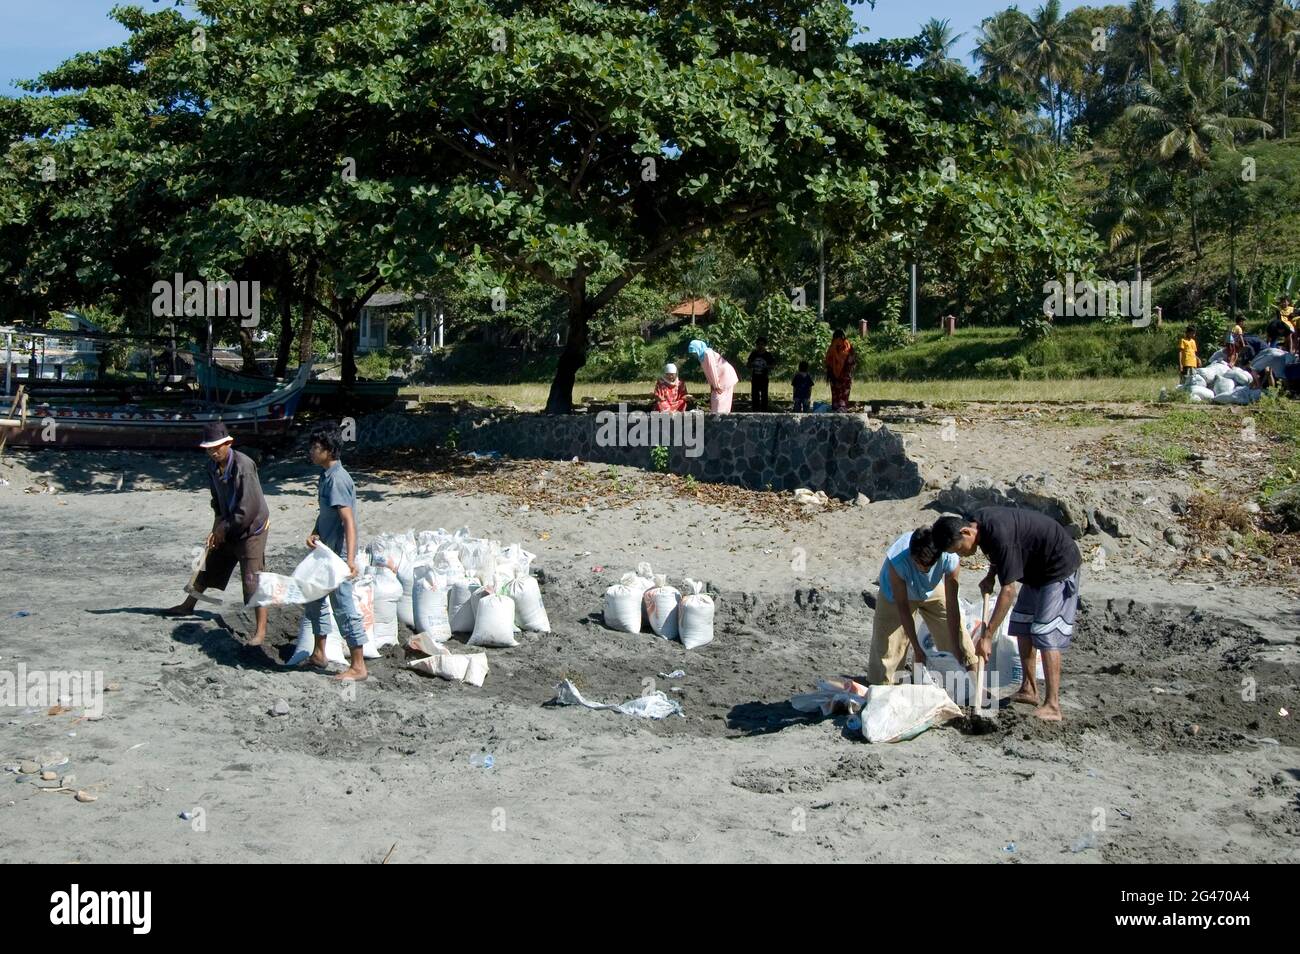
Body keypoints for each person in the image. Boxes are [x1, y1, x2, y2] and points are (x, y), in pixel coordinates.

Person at [932, 508, 1081, 722]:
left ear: (966, 532)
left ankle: (1053, 705)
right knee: (1022, 623)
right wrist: (991, 575)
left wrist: (987, 637)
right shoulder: (979, 522)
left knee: (1046, 633)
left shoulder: (997, 532)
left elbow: (1009, 590)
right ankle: (1029, 689)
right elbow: (1002, 553)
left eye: (959, 549)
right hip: (1034, 569)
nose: (961, 555)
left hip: (1058, 566)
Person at [163, 421, 269, 645]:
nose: (212, 452)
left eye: (216, 447)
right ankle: (188, 605)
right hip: (228, 522)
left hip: (252, 529)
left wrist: (224, 527)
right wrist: (216, 527)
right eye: (208, 449)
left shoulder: (244, 466)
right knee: (207, 562)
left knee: (253, 578)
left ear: (228, 443)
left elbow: (248, 509)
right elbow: (217, 501)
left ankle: (260, 631)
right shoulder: (212, 467)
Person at [300, 422, 369, 682]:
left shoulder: (338, 480)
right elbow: (326, 513)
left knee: (343, 606)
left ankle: (359, 665)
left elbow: (348, 521)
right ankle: (319, 653)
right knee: (314, 599)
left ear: (329, 451)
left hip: (337, 557)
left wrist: (349, 560)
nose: (311, 452)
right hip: (324, 552)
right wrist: (315, 531)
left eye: (315, 448)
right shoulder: (325, 475)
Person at [868, 526, 976, 688]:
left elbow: (952, 605)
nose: (923, 569)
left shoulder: (949, 557)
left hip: (930, 588)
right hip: (896, 592)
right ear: (912, 556)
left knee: (958, 630)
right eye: (919, 564)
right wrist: (917, 649)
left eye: (929, 565)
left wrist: (955, 644)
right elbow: (904, 610)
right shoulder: (897, 561)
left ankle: (976, 680)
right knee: (889, 644)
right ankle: (883, 687)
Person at [688, 339, 738, 413]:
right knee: (715, 399)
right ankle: (716, 418)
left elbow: (712, 369)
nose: (694, 354)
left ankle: (720, 419)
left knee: (720, 399)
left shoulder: (707, 353)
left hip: (726, 377)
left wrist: (716, 385)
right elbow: (707, 372)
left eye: (694, 352)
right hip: (719, 379)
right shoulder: (701, 356)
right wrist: (712, 385)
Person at [824, 330, 857, 411]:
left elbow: (827, 361)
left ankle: (835, 407)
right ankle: (843, 407)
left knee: (835, 392)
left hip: (833, 375)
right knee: (844, 392)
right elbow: (851, 360)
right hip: (845, 374)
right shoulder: (847, 345)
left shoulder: (832, 346)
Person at [746, 336, 774, 412]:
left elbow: (772, 366)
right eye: (758, 344)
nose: (760, 346)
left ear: (765, 345)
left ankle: (764, 411)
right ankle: (755, 410)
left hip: (764, 378)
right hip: (755, 377)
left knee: (764, 395)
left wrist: (765, 366)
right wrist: (753, 365)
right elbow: (748, 365)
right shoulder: (753, 354)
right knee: (755, 395)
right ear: (756, 345)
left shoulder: (768, 355)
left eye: (762, 344)